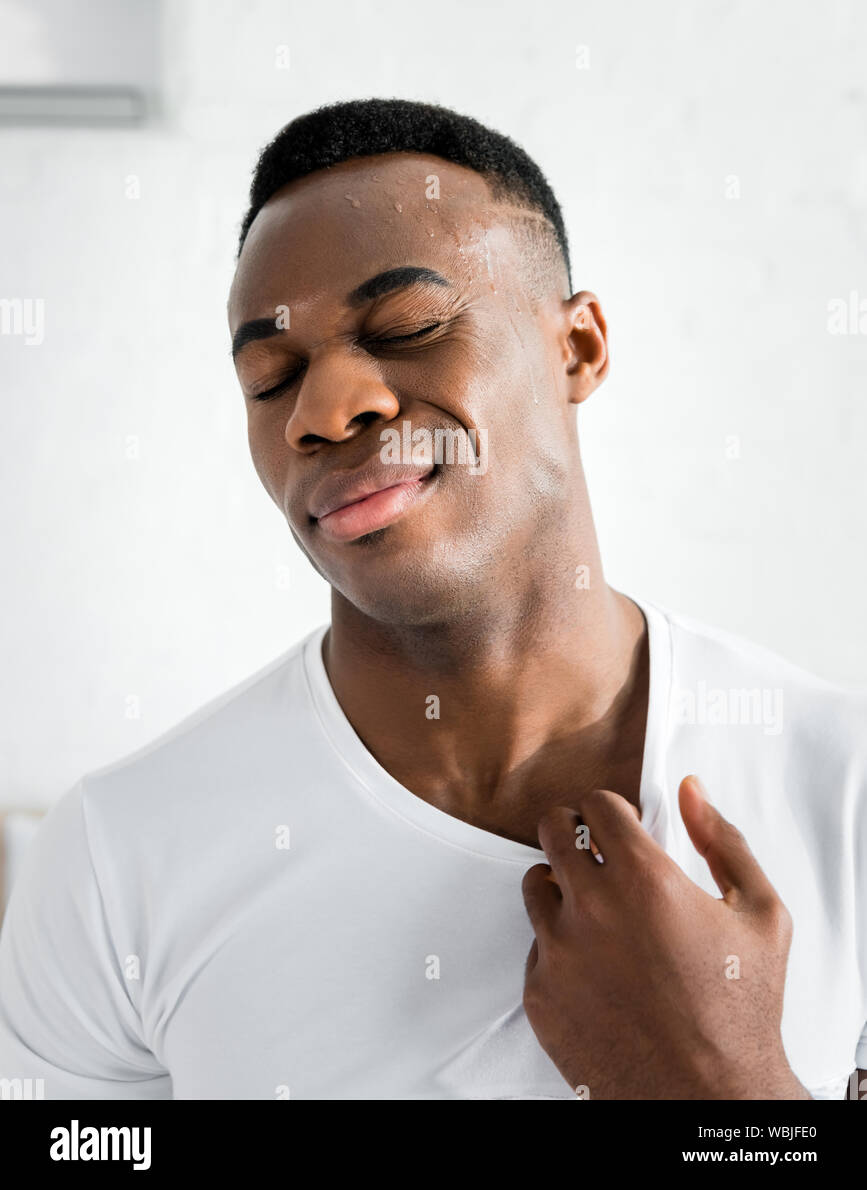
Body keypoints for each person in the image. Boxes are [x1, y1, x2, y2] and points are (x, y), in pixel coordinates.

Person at [1, 99, 865, 1100]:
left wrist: (720, 1086)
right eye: (272, 377)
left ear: (577, 348)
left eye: (408, 326)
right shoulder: (114, 864)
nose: (323, 412)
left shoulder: (843, 787)